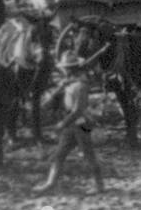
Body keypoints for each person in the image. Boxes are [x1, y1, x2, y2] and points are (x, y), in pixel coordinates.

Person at [33, 51, 102, 193]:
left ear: (70, 69)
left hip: (81, 125)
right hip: (70, 124)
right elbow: (51, 102)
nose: (62, 69)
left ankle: (99, 186)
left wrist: (62, 124)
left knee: (89, 156)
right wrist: (58, 90)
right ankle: (50, 183)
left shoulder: (81, 85)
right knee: (59, 155)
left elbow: (78, 110)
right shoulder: (69, 83)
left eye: (64, 67)